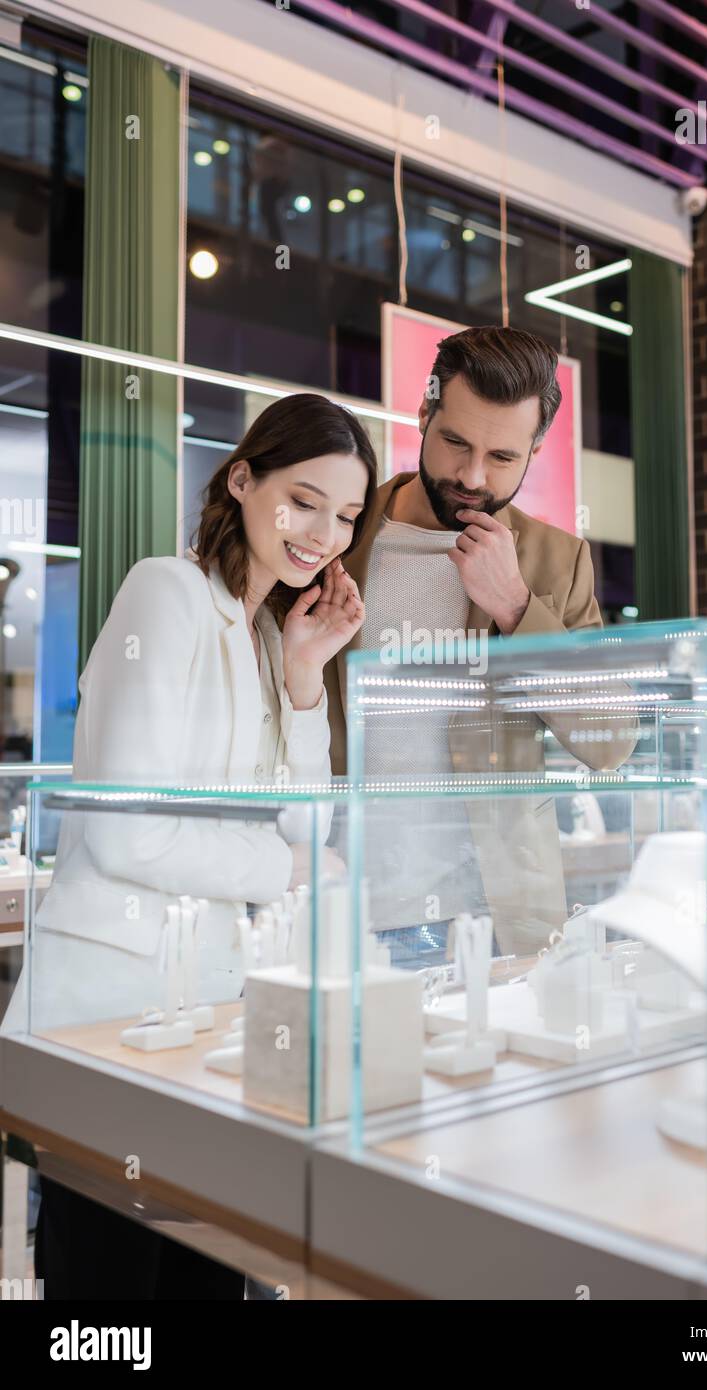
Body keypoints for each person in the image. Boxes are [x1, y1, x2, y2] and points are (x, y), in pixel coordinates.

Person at [5, 391, 375, 1298]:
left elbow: (310, 828)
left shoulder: (262, 638)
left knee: (202, 1282)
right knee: (107, 1304)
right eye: (303, 500)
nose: (323, 534)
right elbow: (128, 828)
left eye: (348, 516)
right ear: (242, 480)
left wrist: (300, 679)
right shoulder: (163, 592)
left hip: (206, 1020)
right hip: (111, 1027)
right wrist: (278, 869)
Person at [323, 325, 637, 961]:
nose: (470, 475)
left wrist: (518, 608)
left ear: (536, 449)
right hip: (340, 906)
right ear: (423, 414)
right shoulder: (338, 533)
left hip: (492, 921)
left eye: (501, 458)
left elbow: (611, 739)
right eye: (454, 442)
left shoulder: (555, 561)